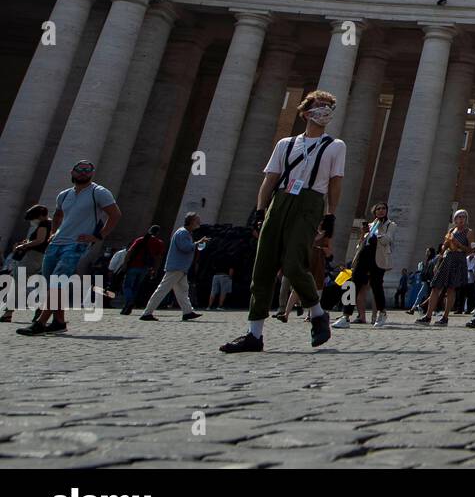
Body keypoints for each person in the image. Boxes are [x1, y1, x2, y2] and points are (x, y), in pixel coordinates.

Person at [220, 90, 346, 353]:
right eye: (320, 106)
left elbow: (336, 183)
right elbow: (270, 178)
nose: (325, 111)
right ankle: (254, 334)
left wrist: (331, 214)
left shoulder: (335, 146)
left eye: (329, 107)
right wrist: (259, 210)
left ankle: (317, 312)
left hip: (309, 204)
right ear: (305, 112)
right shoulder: (286, 144)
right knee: (263, 266)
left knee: (293, 263)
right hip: (280, 201)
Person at [18, 161, 122, 336]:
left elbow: (115, 214)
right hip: (57, 242)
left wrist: (98, 236)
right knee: (52, 283)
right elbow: (58, 214)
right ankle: (59, 322)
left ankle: (40, 323)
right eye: (79, 170)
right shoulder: (64, 195)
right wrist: (52, 233)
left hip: (76, 244)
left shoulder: (99, 192)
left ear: (92, 174)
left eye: (87, 170)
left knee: (58, 282)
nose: (83, 173)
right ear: (72, 172)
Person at [335, 202, 394, 329]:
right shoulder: (370, 225)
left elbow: (387, 240)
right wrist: (363, 234)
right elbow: (360, 244)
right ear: (374, 211)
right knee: (352, 285)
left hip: (377, 258)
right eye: (378, 209)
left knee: (376, 285)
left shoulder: (390, 225)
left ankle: (382, 313)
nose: (381, 211)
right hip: (363, 257)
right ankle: (345, 316)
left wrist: (378, 231)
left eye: (384, 209)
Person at [138, 213, 203, 322]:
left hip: (180, 267)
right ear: (191, 221)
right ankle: (147, 313)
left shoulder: (184, 232)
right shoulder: (183, 233)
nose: (199, 222)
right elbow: (185, 247)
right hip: (177, 267)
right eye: (197, 220)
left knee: (182, 290)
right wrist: (198, 243)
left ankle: (188, 312)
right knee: (162, 290)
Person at [423, 210, 473, 325]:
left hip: (459, 258)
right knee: (435, 286)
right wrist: (444, 247)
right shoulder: (451, 230)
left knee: (451, 288)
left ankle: (445, 317)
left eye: (464, 217)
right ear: (455, 219)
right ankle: (428, 315)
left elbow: (470, 250)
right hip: (448, 258)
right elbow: (443, 249)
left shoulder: (468, 232)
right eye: (459, 217)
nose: (461, 219)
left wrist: (458, 244)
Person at [4, 205, 53, 323]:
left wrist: (24, 245)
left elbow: (40, 240)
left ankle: (8, 313)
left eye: (34, 217)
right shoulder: (51, 223)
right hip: (41, 256)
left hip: (33, 256)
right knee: (37, 283)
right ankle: (40, 307)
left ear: (40, 216)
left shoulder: (44, 224)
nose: (32, 221)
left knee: (17, 282)